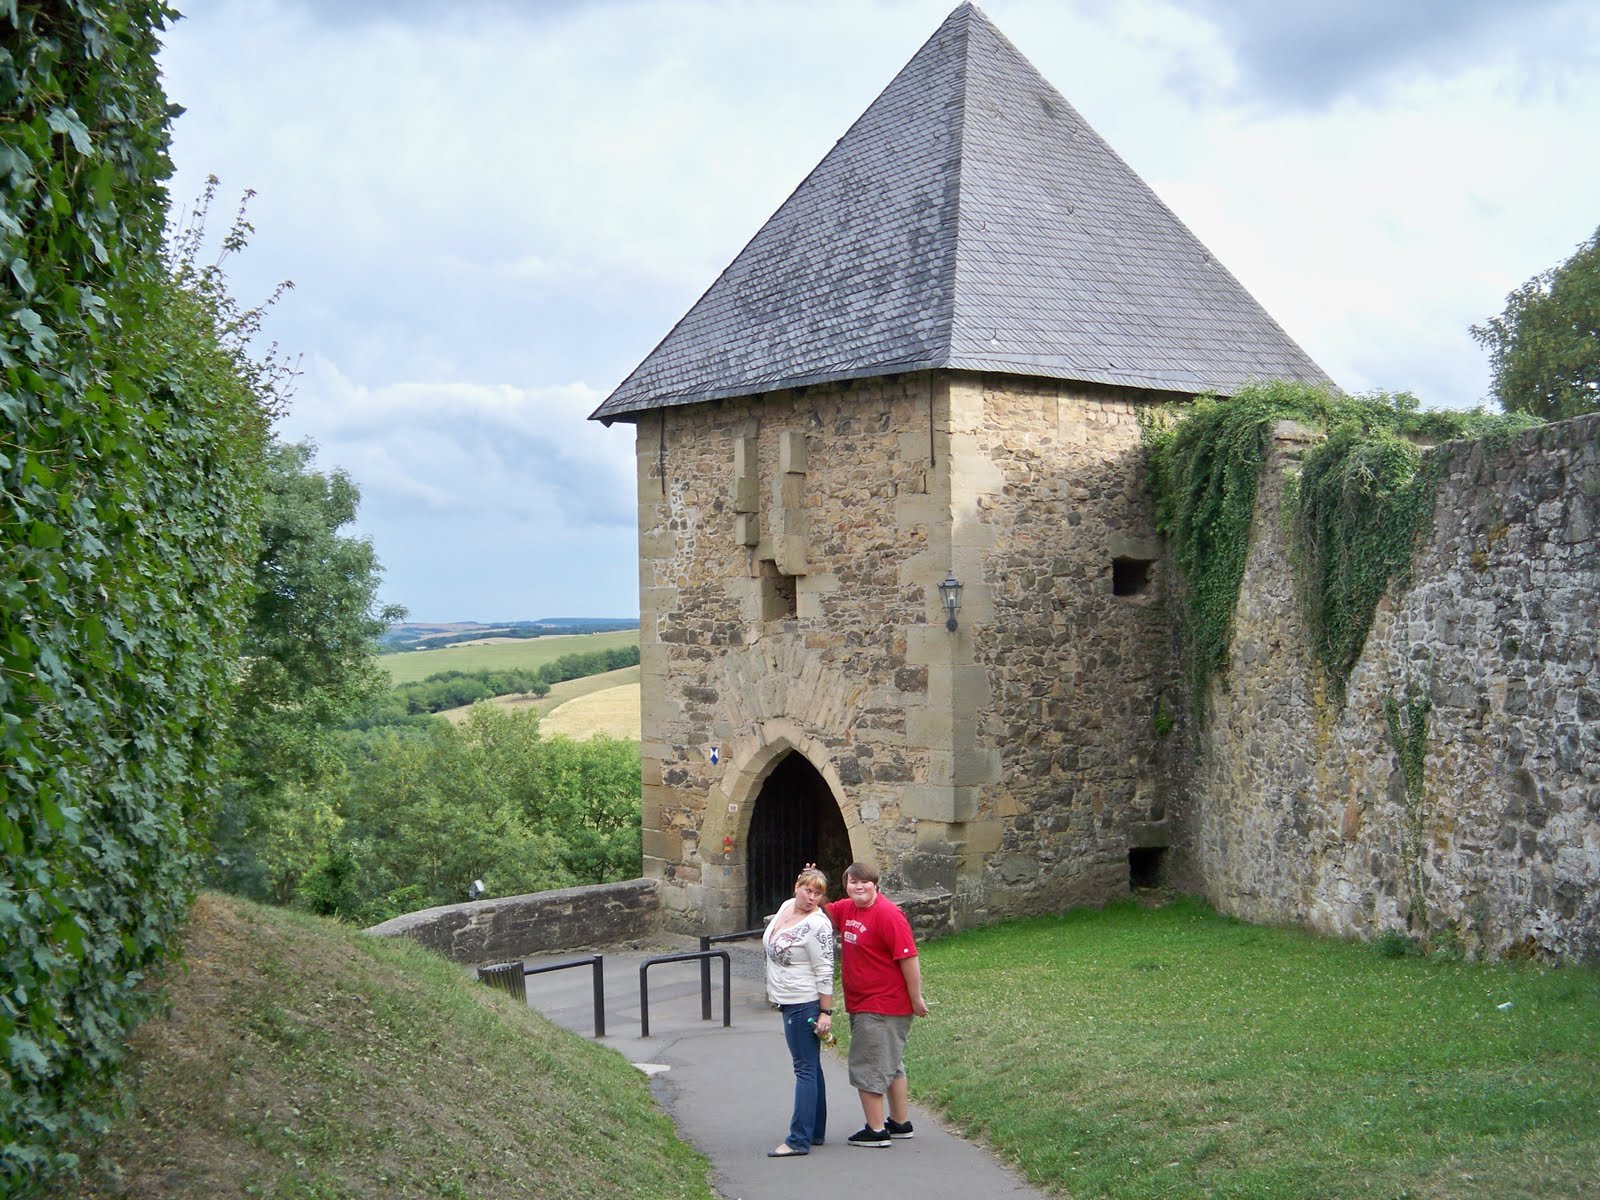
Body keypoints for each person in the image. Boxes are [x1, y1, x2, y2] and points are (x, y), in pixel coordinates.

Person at [825, 861, 929, 1148]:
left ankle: (876, 1131)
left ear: (876, 885)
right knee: (892, 1064)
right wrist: (811, 881)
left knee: (868, 1065)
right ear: (846, 886)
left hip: (882, 1005)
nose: (859, 887)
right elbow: (825, 909)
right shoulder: (849, 908)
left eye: (865, 882)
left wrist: (916, 997)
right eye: (853, 882)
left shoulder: (888, 915)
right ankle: (899, 1123)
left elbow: (909, 958)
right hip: (863, 1002)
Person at [762, 866, 835, 1157]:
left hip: (803, 1002)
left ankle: (798, 1140)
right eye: (808, 890)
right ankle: (815, 1130)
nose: (812, 897)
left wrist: (825, 1012)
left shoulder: (819, 926)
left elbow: (825, 969)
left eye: (818, 894)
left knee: (804, 1069)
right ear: (797, 886)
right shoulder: (784, 908)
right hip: (785, 998)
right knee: (811, 1066)